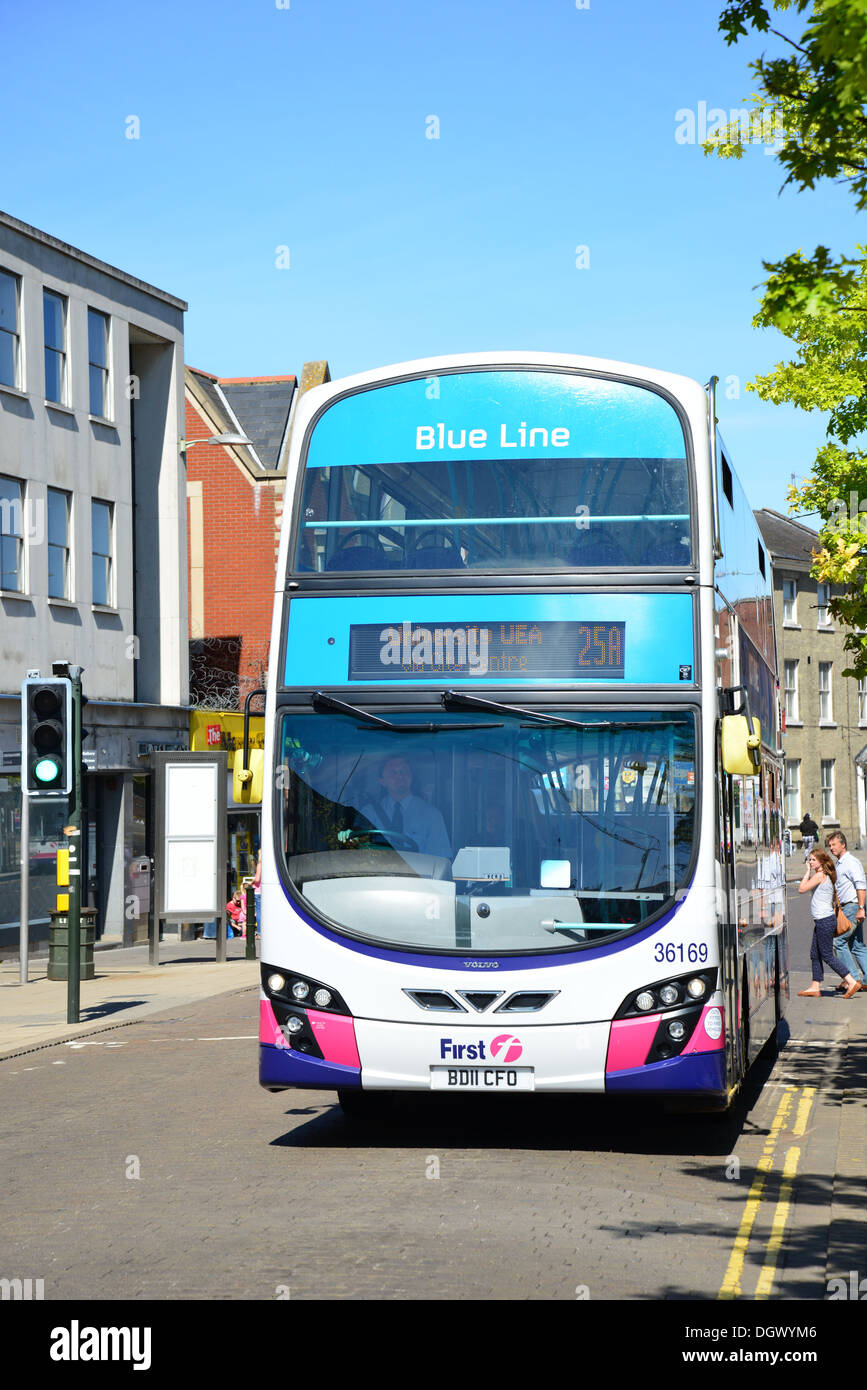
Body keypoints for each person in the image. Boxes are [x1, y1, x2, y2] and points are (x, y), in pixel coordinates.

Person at [358, 755, 451, 859]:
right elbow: (359, 855)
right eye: (393, 772)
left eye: (404, 771)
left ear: (411, 777)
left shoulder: (432, 815)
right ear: (382, 781)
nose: (400, 776)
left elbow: (440, 860)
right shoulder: (369, 814)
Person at [797, 849, 861, 998]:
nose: (810, 862)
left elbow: (801, 889)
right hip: (823, 920)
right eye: (810, 860)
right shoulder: (825, 875)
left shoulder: (820, 875)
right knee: (815, 953)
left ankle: (851, 981)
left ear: (821, 861)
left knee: (826, 955)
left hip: (824, 921)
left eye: (813, 860)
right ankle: (815, 986)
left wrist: (807, 871)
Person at [826, 833, 867, 990]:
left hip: (853, 906)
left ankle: (853, 979)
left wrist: (861, 908)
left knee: (839, 942)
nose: (831, 848)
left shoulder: (850, 862)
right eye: (830, 845)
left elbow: (861, 885)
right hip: (847, 907)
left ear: (843, 844)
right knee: (856, 944)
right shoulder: (840, 863)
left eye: (833, 845)